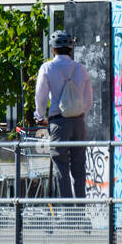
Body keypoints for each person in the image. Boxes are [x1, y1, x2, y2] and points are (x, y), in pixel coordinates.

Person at [34, 30, 93, 199]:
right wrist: (79, 114)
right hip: (78, 123)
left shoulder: (47, 68)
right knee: (79, 166)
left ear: (53, 49)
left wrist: (40, 117)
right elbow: (88, 101)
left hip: (59, 123)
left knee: (61, 166)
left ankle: (68, 214)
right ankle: (80, 212)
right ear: (70, 49)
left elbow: (41, 96)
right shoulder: (81, 69)